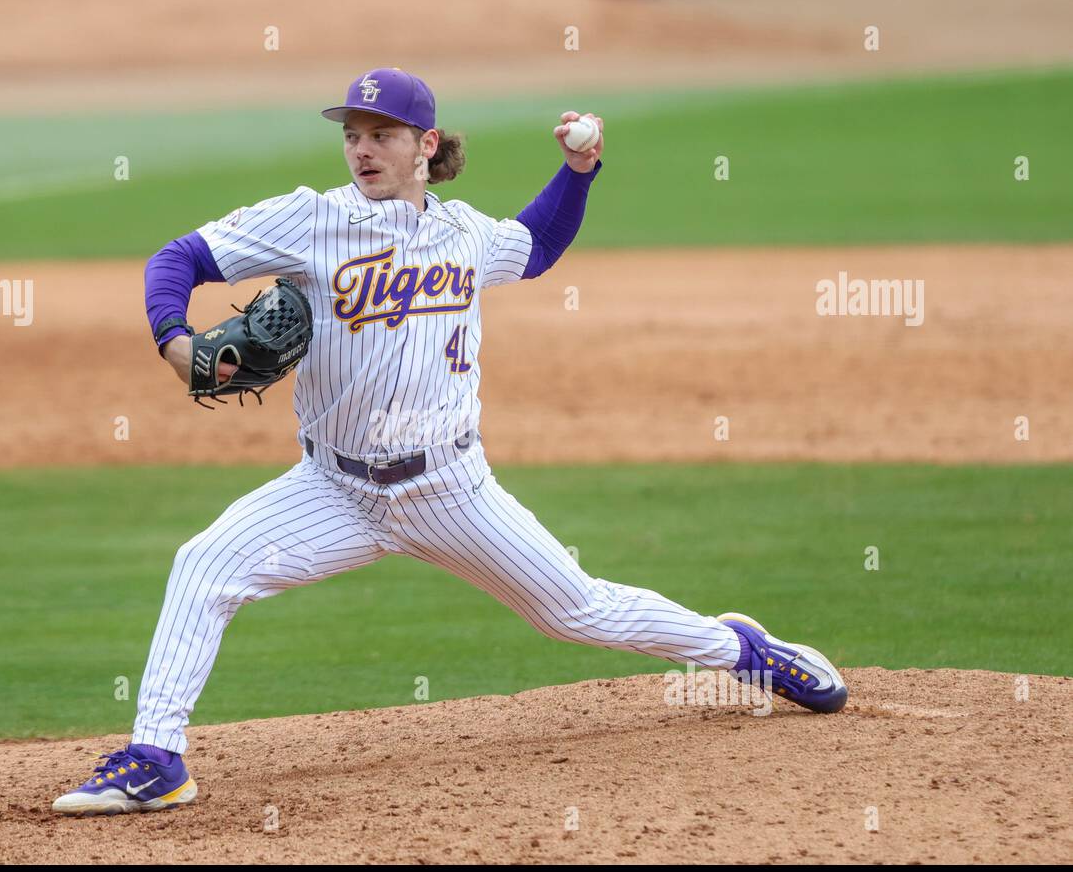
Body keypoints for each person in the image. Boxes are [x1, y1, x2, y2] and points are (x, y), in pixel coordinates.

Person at [52, 68, 846, 817]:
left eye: (383, 133)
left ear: (426, 145)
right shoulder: (307, 218)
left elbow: (537, 246)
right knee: (205, 563)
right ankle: (157, 759)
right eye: (353, 134)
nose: (363, 149)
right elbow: (180, 257)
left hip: (450, 492)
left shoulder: (465, 234)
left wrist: (580, 170)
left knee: (578, 610)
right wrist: (173, 339)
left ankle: (741, 650)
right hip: (332, 490)